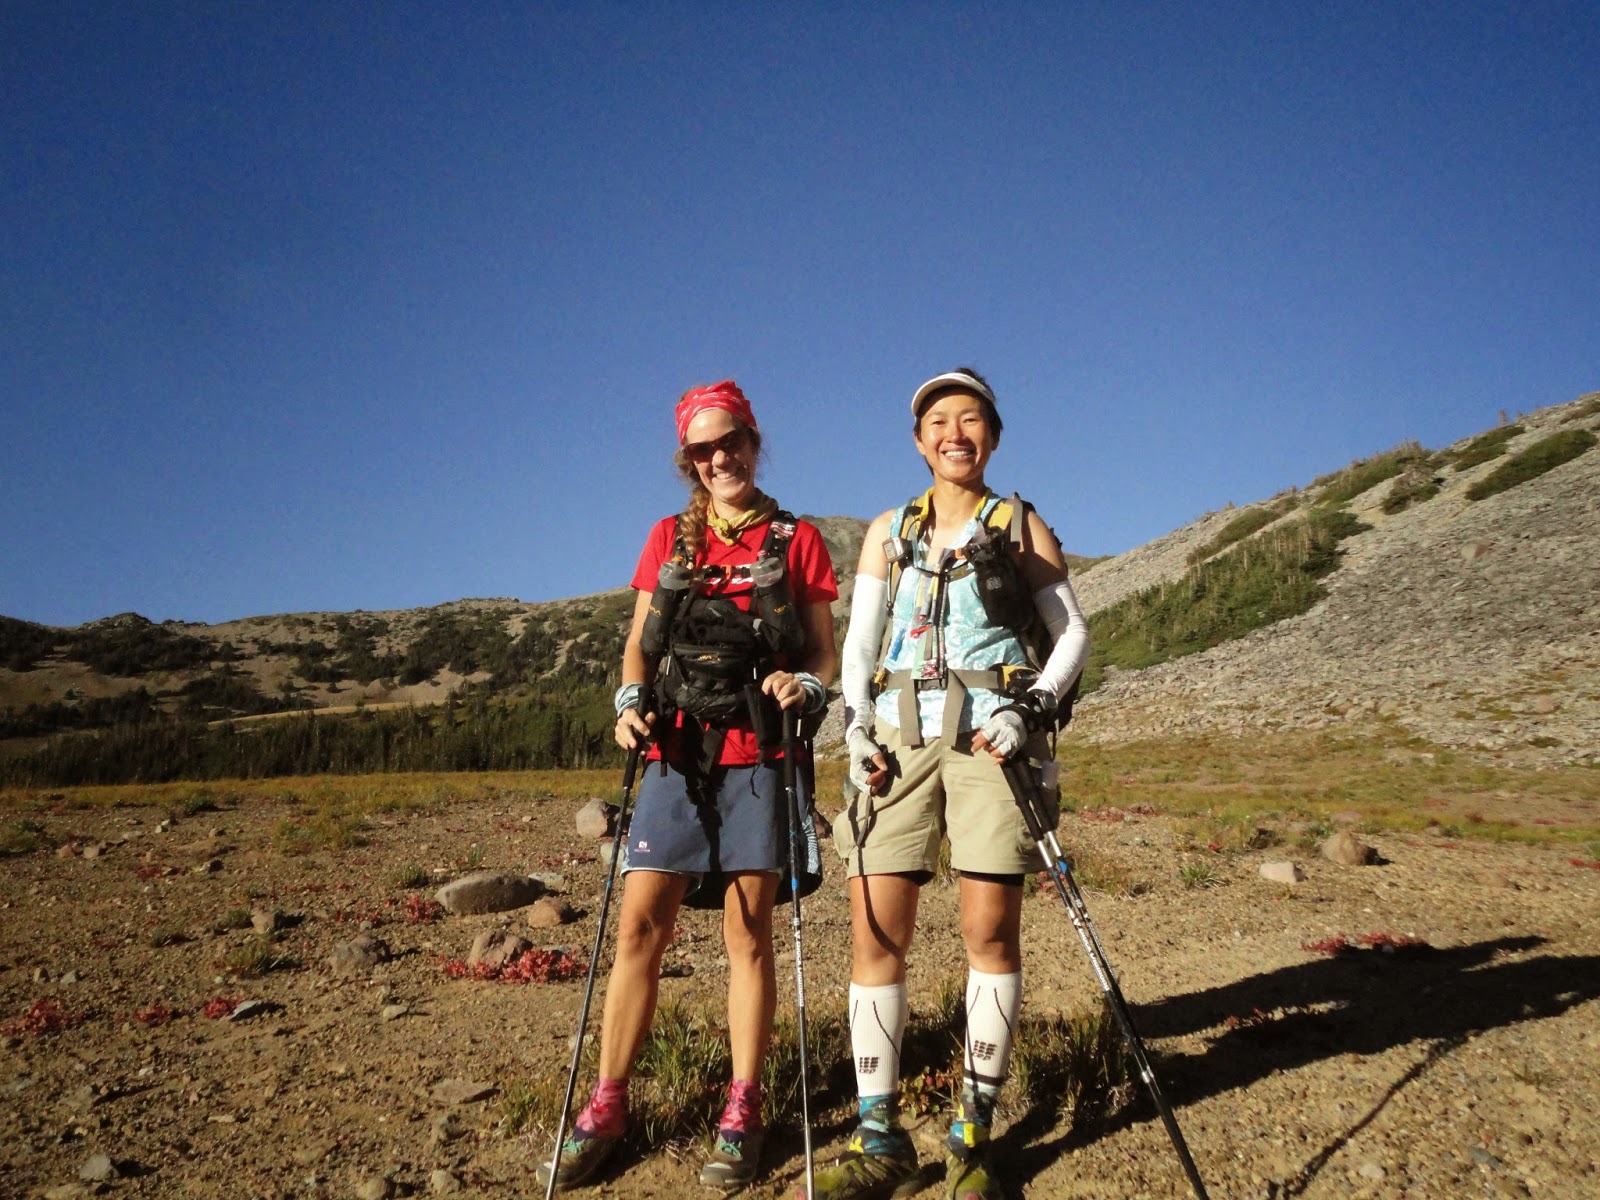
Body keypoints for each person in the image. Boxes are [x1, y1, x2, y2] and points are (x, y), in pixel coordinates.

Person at [540, 380, 839, 1193]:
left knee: (748, 934)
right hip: (673, 751)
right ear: (689, 460)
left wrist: (809, 686)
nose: (719, 457)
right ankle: (607, 1105)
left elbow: (822, 647)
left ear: (753, 440)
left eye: (731, 440)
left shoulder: (798, 539)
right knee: (640, 925)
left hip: (760, 753)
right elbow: (641, 644)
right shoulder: (667, 539)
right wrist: (628, 702)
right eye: (702, 449)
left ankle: (743, 1109)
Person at [811, 368, 1090, 1200]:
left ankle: (972, 1134)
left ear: (992, 436)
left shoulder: (1019, 524)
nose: (954, 433)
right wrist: (855, 725)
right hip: (896, 738)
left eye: (970, 420)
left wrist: (1032, 708)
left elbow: (1072, 630)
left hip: (990, 739)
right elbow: (861, 644)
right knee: (875, 935)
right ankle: (880, 1138)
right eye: (938, 422)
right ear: (918, 441)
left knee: (989, 933)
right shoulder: (887, 531)